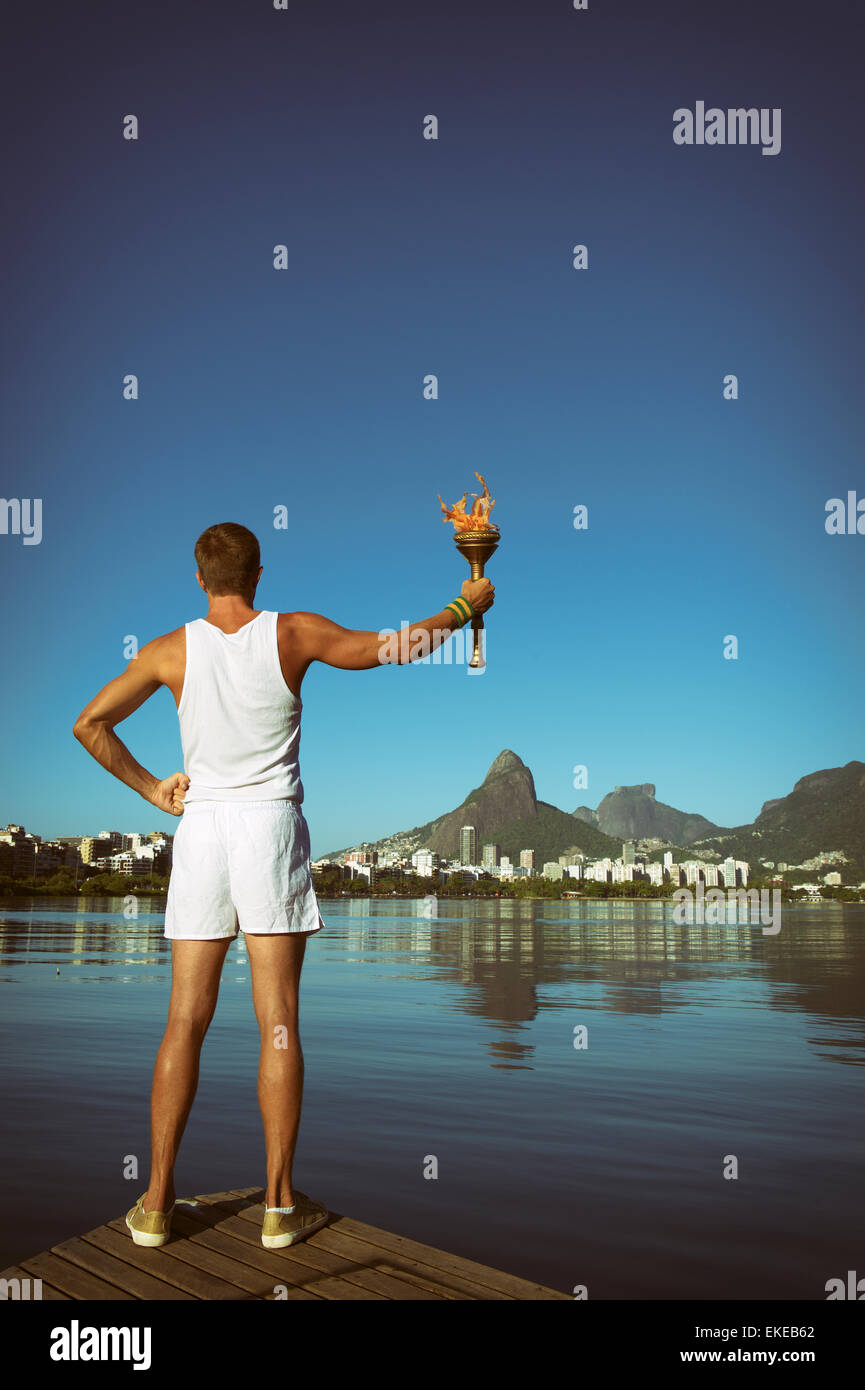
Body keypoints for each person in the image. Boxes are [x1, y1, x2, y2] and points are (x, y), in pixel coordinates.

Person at [72, 521, 494, 1251]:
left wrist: (151, 792)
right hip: (268, 829)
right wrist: (464, 607)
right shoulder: (292, 632)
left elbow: (89, 724)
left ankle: (156, 1203)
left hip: (200, 830)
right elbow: (390, 649)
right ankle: (276, 1206)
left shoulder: (168, 650)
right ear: (258, 574)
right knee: (278, 1022)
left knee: (183, 1022)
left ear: (199, 578)